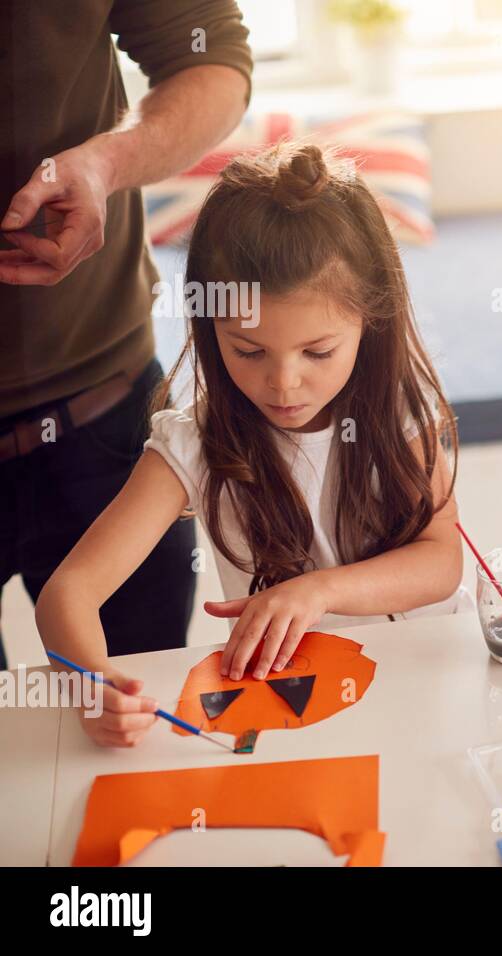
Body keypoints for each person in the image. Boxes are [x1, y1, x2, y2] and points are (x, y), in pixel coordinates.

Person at [36, 143, 468, 747]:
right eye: (249, 351)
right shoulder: (192, 443)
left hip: (431, 675)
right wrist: (91, 688)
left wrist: (317, 591)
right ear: (210, 330)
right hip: (296, 710)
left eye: (317, 352)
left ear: (370, 322)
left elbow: (442, 562)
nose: (284, 382)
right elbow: (69, 592)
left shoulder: (399, 412)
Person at [0, 0, 253, 668]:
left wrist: (106, 164)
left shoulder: (172, 451)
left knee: (140, 702)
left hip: (107, 412)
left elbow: (213, 58)